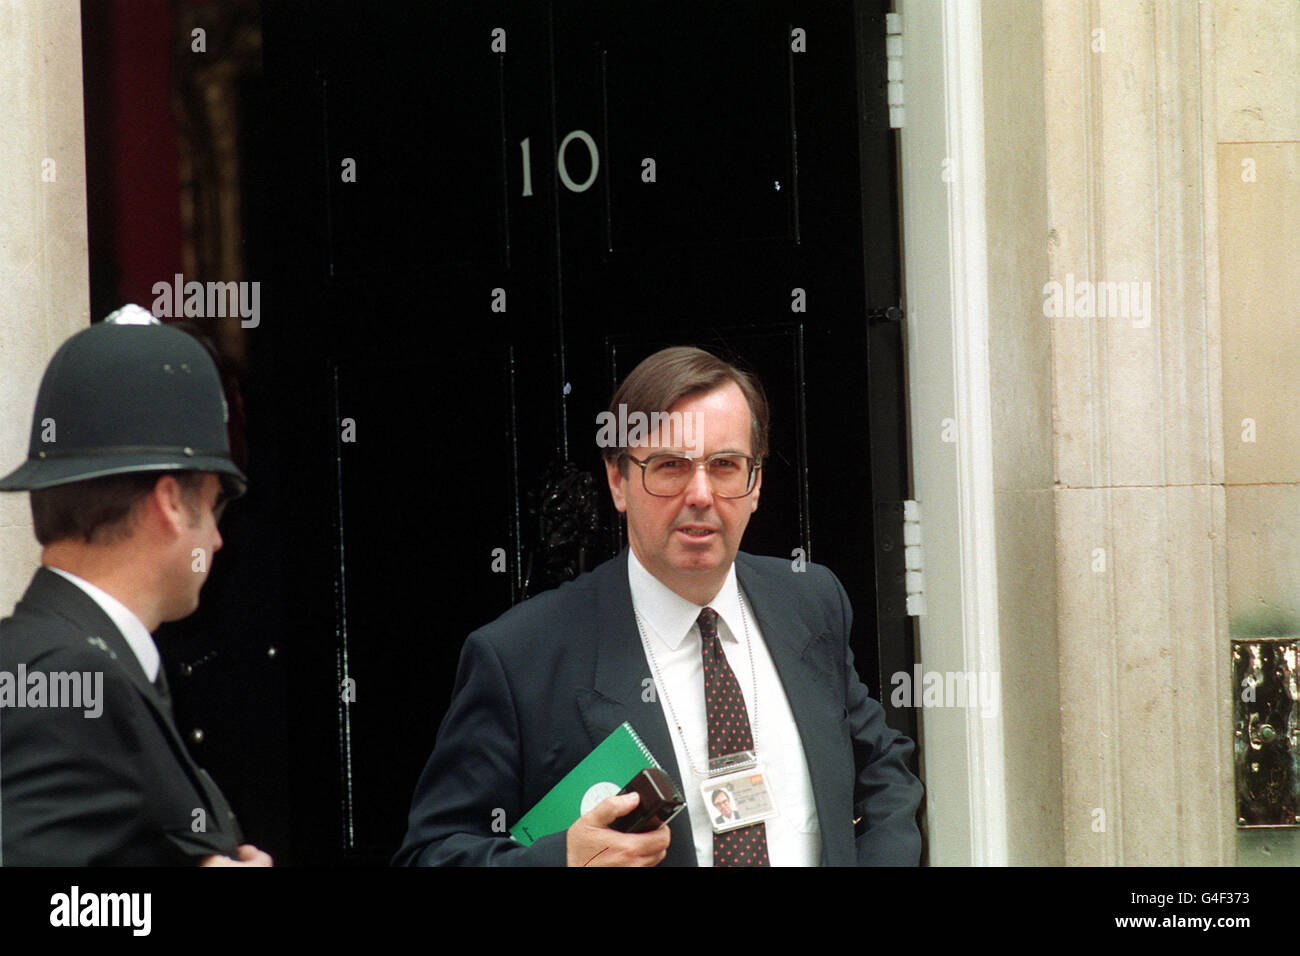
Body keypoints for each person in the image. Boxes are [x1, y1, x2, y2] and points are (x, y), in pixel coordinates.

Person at [395, 346, 923, 866]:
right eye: (670, 466)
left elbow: (882, 773)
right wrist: (564, 861)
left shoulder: (811, 601)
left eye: (724, 465)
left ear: (755, 482)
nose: (700, 494)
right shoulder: (519, 656)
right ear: (618, 480)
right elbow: (434, 852)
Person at [0, 306, 272, 866]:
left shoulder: (70, 660)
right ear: (173, 502)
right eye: (215, 502)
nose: (218, 541)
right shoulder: (70, 676)